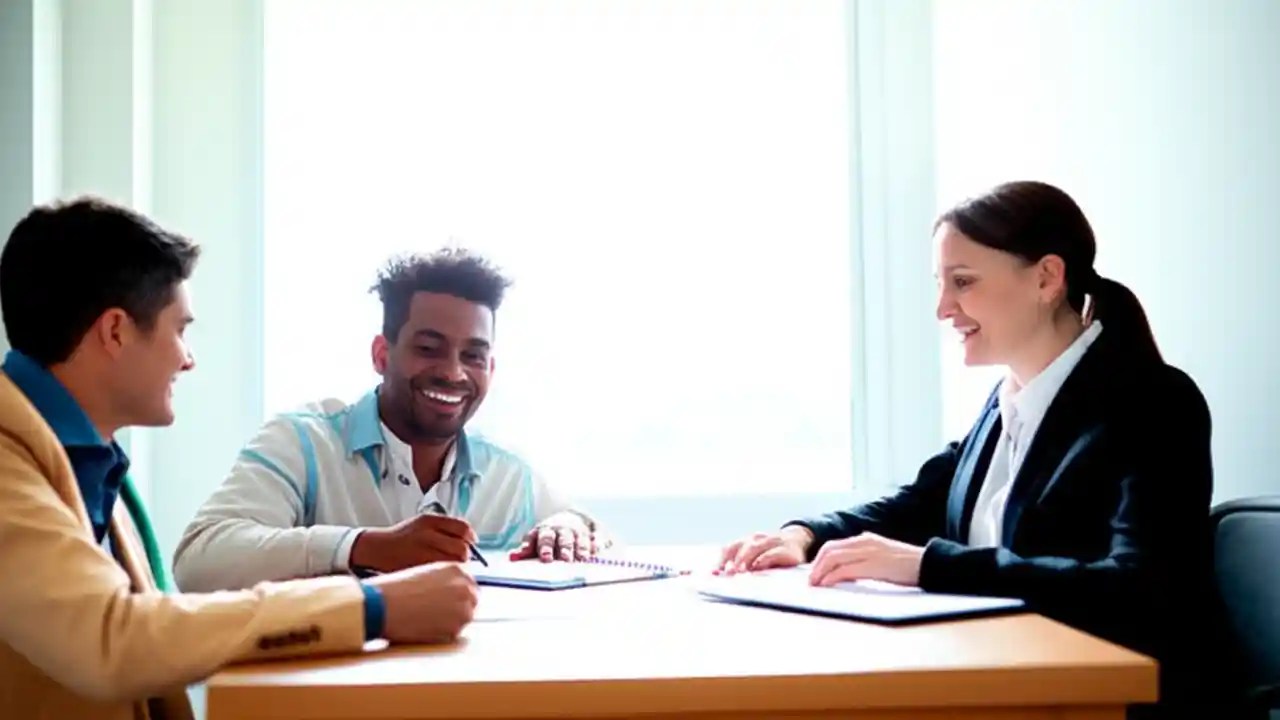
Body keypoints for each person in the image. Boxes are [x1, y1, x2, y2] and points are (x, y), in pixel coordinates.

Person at [718, 181, 1216, 711]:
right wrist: (806, 535)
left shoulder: (1154, 402)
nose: (942, 308)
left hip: (1099, 701)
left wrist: (929, 566)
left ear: (1047, 278)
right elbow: (922, 502)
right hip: (1007, 678)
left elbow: (1137, 590)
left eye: (963, 282)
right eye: (941, 283)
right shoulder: (1010, 401)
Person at [0, 198, 477, 720]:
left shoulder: (83, 458)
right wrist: (374, 608)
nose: (188, 357)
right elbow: (113, 638)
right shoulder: (11, 461)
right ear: (115, 332)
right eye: (179, 329)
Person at [173, 248, 604, 592]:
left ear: (490, 369)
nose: (454, 373)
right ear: (382, 354)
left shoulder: (509, 475)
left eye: (473, 355)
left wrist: (569, 526)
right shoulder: (304, 444)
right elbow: (198, 563)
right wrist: (364, 547)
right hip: (329, 698)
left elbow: (588, 532)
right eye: (429, 348)